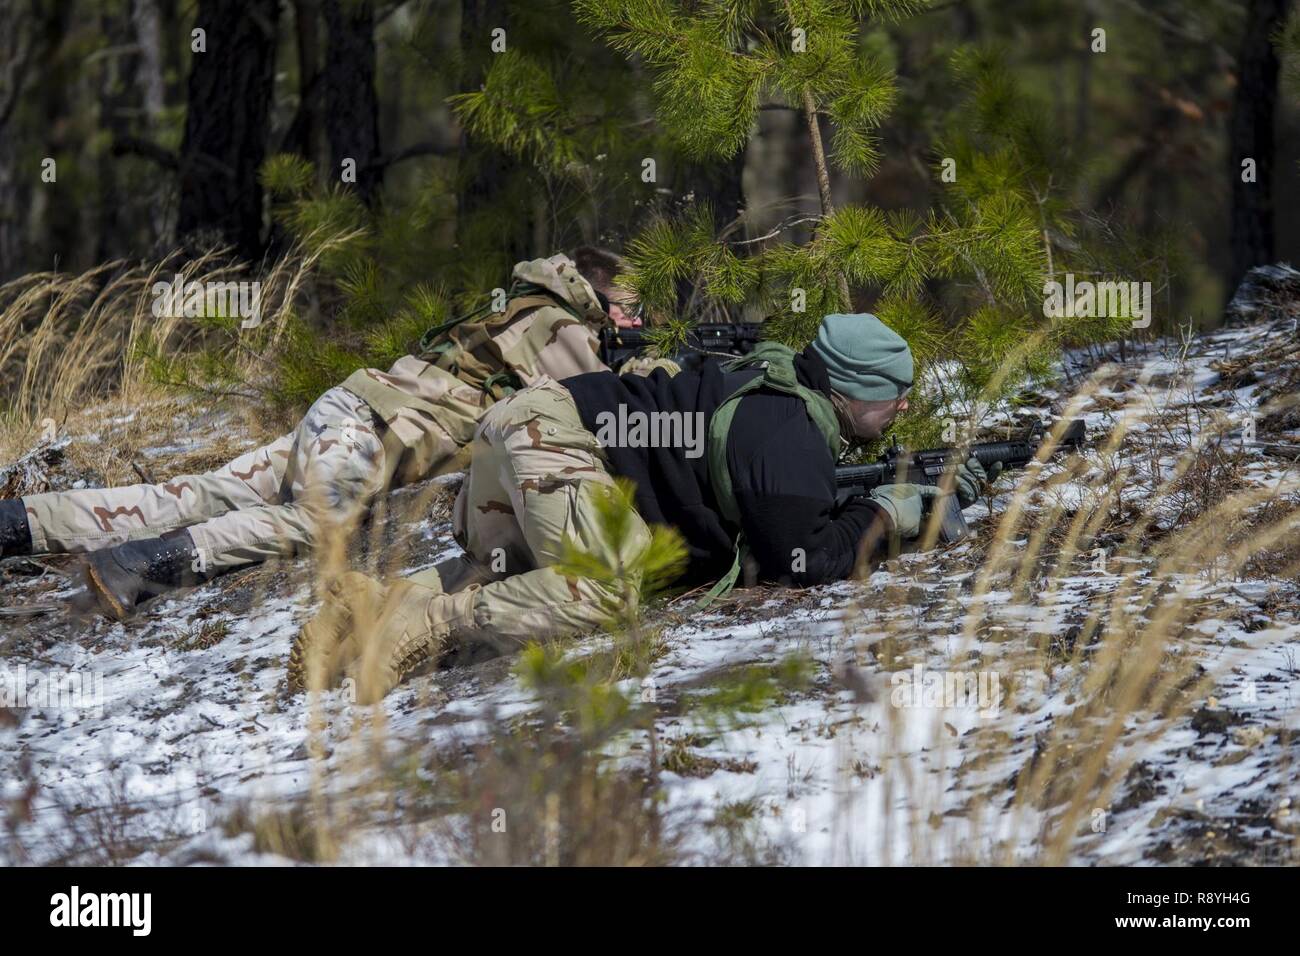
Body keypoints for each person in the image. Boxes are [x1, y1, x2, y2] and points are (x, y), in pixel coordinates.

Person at [291, 312, 994, 701]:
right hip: (557, 439)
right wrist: (893, 510)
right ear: (853, 388)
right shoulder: (791, 433)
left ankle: (372, 602)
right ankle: (425, 632)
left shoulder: (775, 385)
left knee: (526, 570)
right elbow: (806, 559)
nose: (904, 405)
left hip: (527, 427)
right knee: (606, 587)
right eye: (894, 393)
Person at [0, 250, 642, 620]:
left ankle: (19, 523)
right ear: (596, 295)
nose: (634, 320)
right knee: (323, 519)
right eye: (630, 308)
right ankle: (141, 564)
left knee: (196, 494)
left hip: (349, 414)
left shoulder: (521, 304)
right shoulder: (558, 326)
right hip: (366, 432)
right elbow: (598, 400)